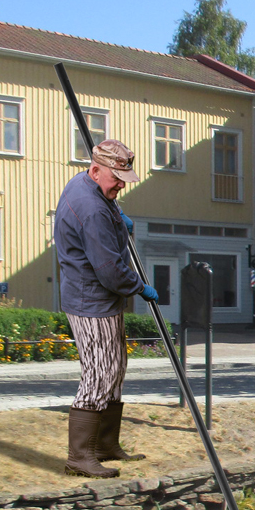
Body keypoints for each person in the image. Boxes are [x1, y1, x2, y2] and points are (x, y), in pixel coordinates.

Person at [54, 139, 159, 479]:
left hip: (101, 300)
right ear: (96, 169)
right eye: (116, 179)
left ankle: (106, 445)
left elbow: (106, 205)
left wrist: (119, 218)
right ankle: (80, 456)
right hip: (91, 303)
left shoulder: (88, 184)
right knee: (99, 374)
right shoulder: (93, 209)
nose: (120, 185)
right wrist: (138, 287)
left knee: (115, 369)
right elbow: (110, 270)